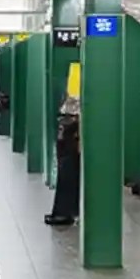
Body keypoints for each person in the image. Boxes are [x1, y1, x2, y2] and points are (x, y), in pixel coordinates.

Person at [44, 95, 81, 226]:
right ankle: (65, 211)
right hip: (73, 121)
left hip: (73, 124)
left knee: (67, 170)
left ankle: (64, 212)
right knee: (66, 169)